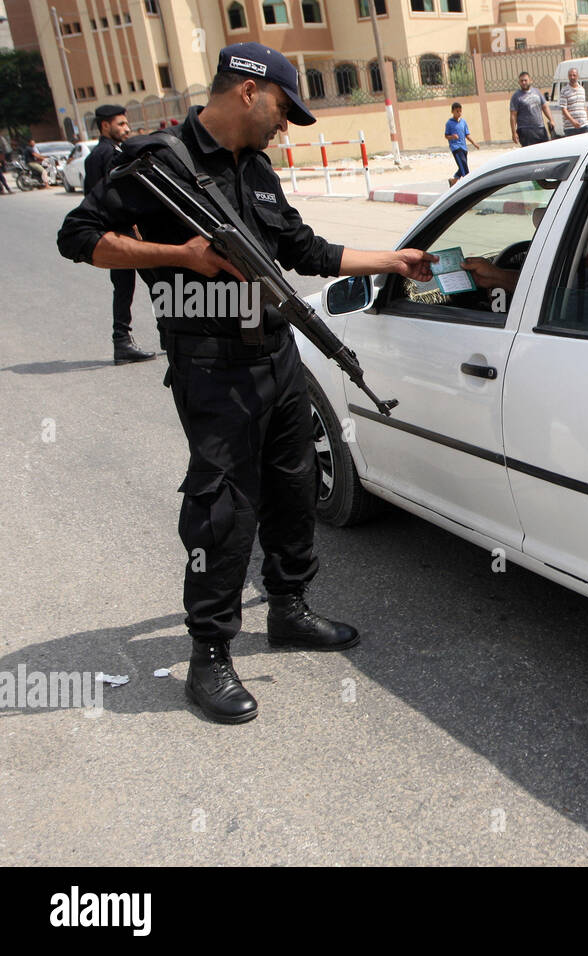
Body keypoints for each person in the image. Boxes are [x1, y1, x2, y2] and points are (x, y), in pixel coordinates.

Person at [57, 42, 436, 725]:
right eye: (283, 110)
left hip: (277, 354)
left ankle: (288, 609)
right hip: (209, 365)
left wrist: (392, 260)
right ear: (247, 93)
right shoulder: (152, 163)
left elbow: (302, 249)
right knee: (222, 509)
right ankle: (209, 653)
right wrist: (180, 258)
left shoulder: (257, 168)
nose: (285, 125)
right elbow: (78, 238)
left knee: (294, 487)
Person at [85, 104, 155, 365]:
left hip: (117, 231)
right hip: (122, 231)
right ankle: (124, 343)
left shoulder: (102, 154)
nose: (126, 128)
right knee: (154, 281)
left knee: (132, 286)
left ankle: (131, 340)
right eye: (121, 124)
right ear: (105, 126)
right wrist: (132, 228)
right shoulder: (105, 155)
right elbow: (110, 196)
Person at [464, 191, 588, 295]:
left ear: (585, 249)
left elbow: (545, 291)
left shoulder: (582, 292)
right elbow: (546, 286)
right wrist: (494, 277)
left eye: (559, 237)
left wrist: (496, 275)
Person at [510, 71, 555, 147]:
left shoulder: (537, 92)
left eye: (525, 80)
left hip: (540, 128)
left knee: (545, 150)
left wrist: (551, 120)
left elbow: (544, 106)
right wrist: (514, 133)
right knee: (530, 153)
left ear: (530, 81)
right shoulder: (516, 96)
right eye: (521, 81)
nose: (524, 82)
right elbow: (513, 115)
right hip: (525, 130)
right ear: (519, 82)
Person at [444, 101, 479, 187]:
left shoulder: (463, 122)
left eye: (460, 111)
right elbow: (446, 136)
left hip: (464, 148)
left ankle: (453, 181)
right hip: (456, 148)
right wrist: (452, 137)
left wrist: (474, 143)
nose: (459, 113)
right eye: (457, 111)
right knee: (464, 165)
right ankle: (469, 183)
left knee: (462, 166)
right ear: (452, 111)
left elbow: (467, 135)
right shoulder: (449, 123)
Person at [558, 68, 588, 135]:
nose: (572, 77)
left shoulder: (582, 89)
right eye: (570, 75)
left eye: (574, 75)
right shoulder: (564, 90)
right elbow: (563, 109)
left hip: (584, 125)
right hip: (570, 128)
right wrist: (573, 121)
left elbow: (584, 106)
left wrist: (586, 120)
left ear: (577, 76)